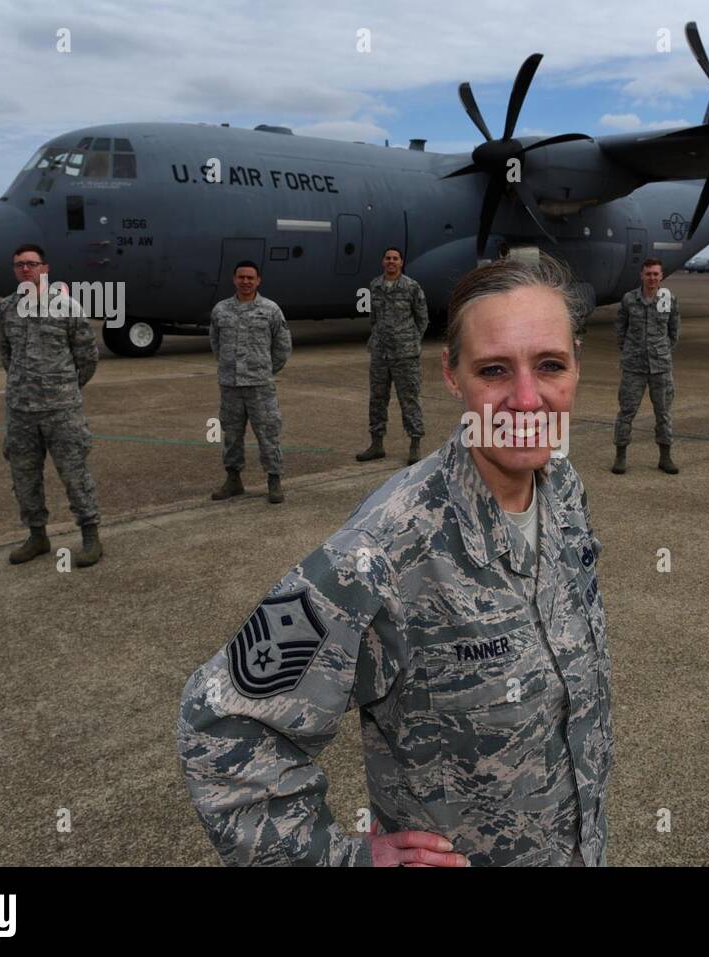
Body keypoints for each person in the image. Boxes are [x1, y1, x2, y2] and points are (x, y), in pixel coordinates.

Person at [179, 256, 613, 866]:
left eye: (550, 365)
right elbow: (222, 723)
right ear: (452, 375)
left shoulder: (562, 487)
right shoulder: (387, 546)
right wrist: (341, 860)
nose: (526, 399)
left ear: (575, 366)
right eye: (493, 370)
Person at [0, 243, 103, 566]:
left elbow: (87, 357)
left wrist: (65, 387)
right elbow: (6, 354)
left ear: (45, 268)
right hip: (21, 412)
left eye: (31, 264)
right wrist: (24, 386)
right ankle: (37, 535)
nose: (25, 269)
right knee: (24, 476)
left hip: (61, 410)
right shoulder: (6, 308)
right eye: (19, 265)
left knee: (74, 474)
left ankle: (90, 536)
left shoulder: (67, 307)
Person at [208, 261, 292, 505]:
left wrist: (264, 370)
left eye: (250, 278)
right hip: (230, 386)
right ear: (234, 279)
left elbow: (282, 346)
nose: (246, 281)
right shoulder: (221, 310)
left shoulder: (270, 309)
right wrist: (229, 366)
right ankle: (233, 480)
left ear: (258, 281)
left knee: (268, 434)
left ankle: (274, 480)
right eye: (241, 277)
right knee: (231, 435)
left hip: (260, 386)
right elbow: (215, 342)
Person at [355, 247, 430, 465]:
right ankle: (376, 444)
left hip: (405, 354)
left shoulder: (411, 287)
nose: (391, 262)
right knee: (377, 398)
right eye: (388, 258)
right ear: (383, 262)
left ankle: (415, 444)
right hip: (380, 352)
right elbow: (373, 317)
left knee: (409, 399)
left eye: (395, 259)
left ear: (401, 262)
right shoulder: (375, 286)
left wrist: (410, 341)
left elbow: (422, 318)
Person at [611, 258, 680, 475]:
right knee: (626, 412)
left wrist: (662, 350)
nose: (652, 278)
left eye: (656, 274)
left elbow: (674, 331)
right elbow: (620, 328)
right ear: (642, 275)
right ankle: (620, 456)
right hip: (634, 367)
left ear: (661, 276)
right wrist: (630, 351)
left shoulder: (668, 299)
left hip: (660, 367)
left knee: (664, 413)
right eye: (648, 274)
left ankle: (665, 457)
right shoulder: (630, 299)